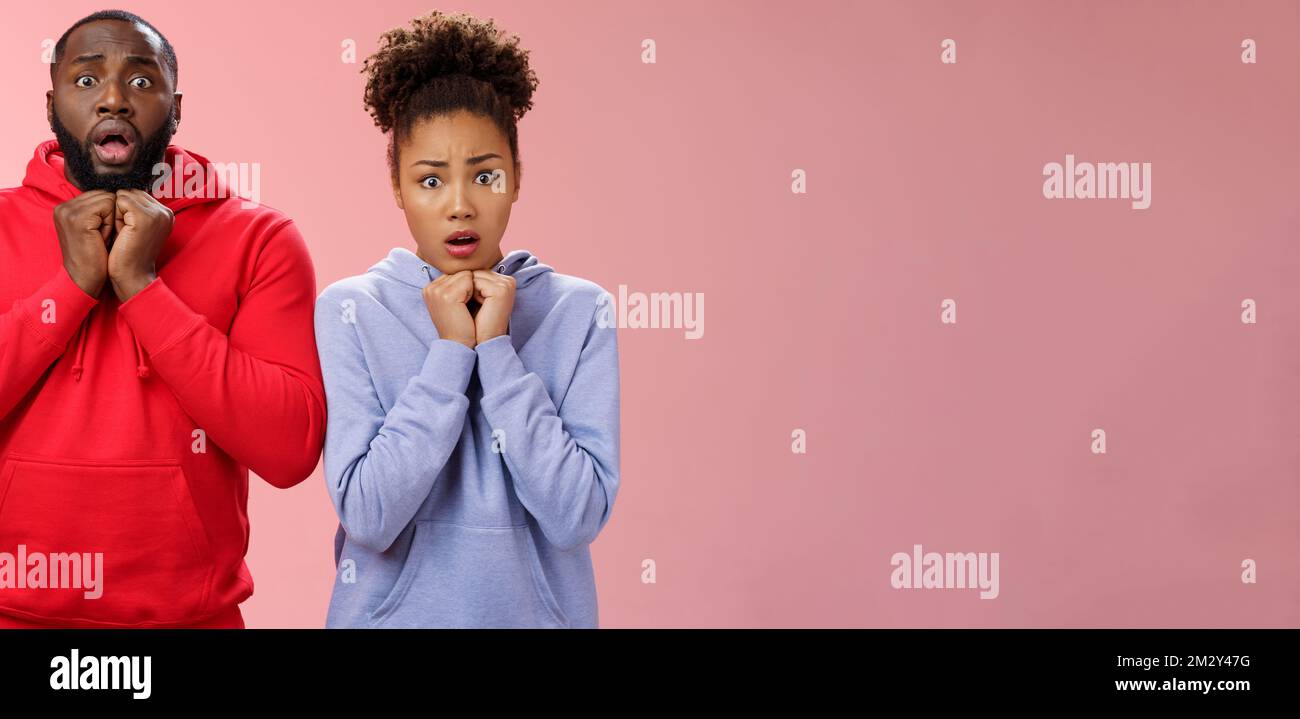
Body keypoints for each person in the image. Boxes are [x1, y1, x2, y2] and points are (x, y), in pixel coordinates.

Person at [0, 11, 326, 628]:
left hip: (191, 622)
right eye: (87, 80)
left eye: (143, 83)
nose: (115, 99)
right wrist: (69, 288)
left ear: (176, 106)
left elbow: (289, 449)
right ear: (51, 103)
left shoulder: (258, 237)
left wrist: (143, 289)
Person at [316, 10, 620, 628]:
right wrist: (451, 355)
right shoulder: (352, 309)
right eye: (430, 180)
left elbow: (576, 516)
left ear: (516, 177)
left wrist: (499, 353)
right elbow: (370, 515)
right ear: (397, 187)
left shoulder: (578, 310)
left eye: (485, 175)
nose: (460, 205)